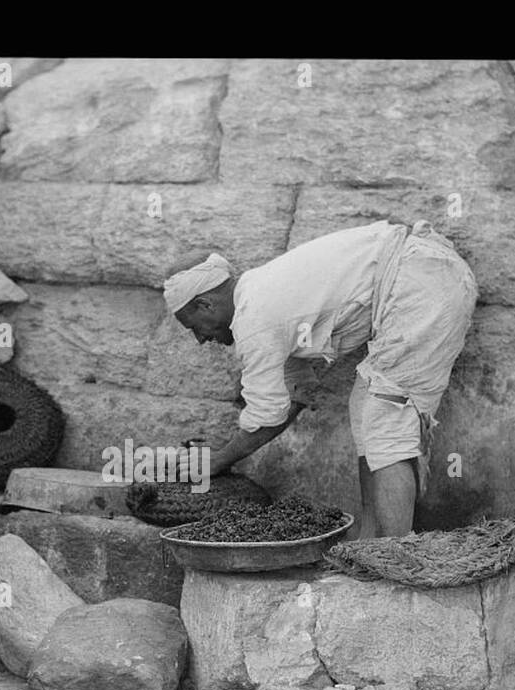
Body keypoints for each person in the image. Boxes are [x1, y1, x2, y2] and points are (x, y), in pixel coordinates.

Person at [165, 219, 477, 539]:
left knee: (385, 421)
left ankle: (396, 554)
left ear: (205, 304)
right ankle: (369, 545)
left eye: (194, 327)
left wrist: (217, 460)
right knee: (369, 411)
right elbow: (292, 397)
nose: (201, 340)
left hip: (422, 282)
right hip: (424, 276)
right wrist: (225, 454)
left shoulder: (254, 321)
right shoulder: (260, 299)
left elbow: (265, 417)